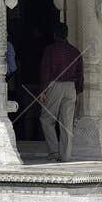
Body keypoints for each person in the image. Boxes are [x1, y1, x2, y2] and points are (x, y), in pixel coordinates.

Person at [37, 23, 83, 162]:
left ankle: (54, 152)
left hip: (55, 85)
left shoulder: (50, 50)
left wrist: (42, 91)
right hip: (71, 87)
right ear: (67, 34)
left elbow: (45, 71)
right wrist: (78, 90)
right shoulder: (75, 51)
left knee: (46, 119)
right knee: (67, 123)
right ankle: (66, 156)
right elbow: (80, 73)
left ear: (55, 35)